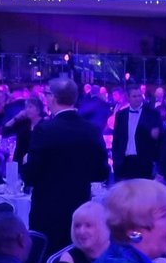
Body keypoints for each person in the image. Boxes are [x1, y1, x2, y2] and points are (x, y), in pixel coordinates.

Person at [26, 78, 110, 252]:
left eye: (47, 94)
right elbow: (101, 173)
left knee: (45, 258)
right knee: (76, 258)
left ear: (53, 98)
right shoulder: (91, 130)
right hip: (79, 207)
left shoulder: (44, 130)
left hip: (47, 210)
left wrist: (25, 164)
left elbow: (30, 176)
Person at [111, 85, 161, 181]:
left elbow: (159, 139)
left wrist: (153, 159)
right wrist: (115, 159)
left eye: (139, 96)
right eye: (134, 96)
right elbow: (116, 139)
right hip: (123, 162)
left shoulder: (152, 113)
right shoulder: (121, 115)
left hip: (144, 163)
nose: (138, 99)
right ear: (128, 97)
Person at [3, 95, 44, 166]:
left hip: (37, 162)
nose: (27, 110)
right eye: (26, 107)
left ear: (38, 109)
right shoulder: (23, 123)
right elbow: (5, 130)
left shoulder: (44, 124)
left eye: (30, 107)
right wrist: (16, 117)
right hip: (19, 160)